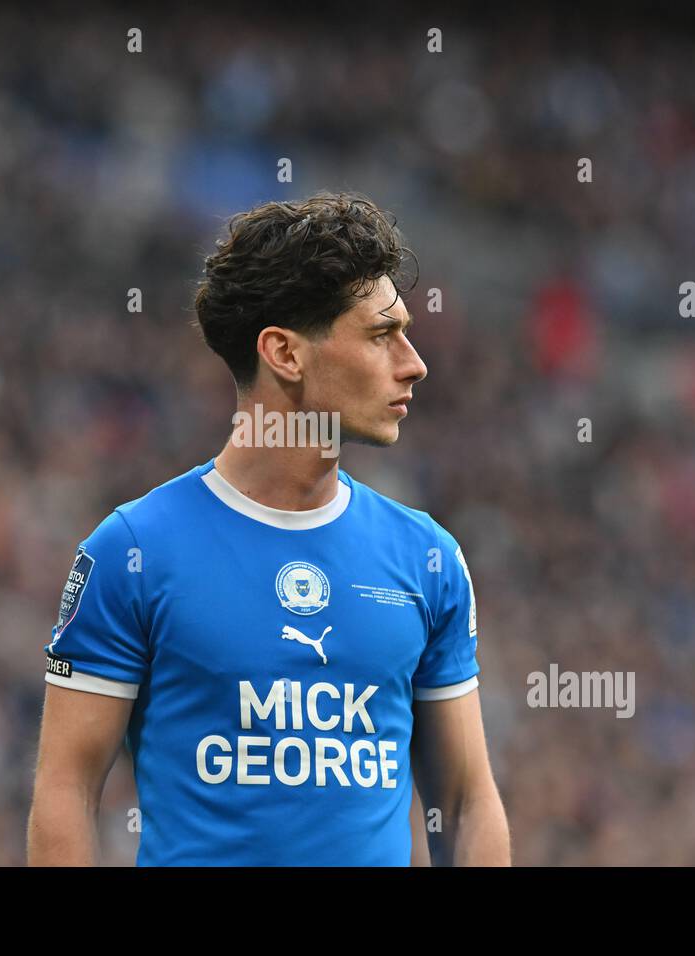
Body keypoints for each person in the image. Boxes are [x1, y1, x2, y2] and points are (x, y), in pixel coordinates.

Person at [27, 192, 511, 866]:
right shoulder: (133, 552)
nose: (414, 362)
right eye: (380, 334)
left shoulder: (427, 557)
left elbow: (465, 802)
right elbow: (66, 791)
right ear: (285, 352)